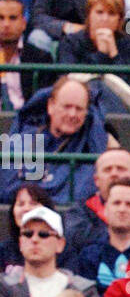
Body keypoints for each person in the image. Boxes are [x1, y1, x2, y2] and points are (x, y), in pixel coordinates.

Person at [0, 75, 113, 205]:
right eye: (66, 107)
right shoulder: (24, 139)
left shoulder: (90, 144)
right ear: (50, 106)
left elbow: (81, 194)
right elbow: (6, 190)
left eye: (79, 109)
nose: (72, 114)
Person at [62, 147, 130, 265]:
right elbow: (77, 239)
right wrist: (126, 231)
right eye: (107, 169)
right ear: (96, 180)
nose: (114, 174)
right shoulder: (80, 209)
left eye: (121, 169)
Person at [0, 204, 100, 297]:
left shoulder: (84, 290)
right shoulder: (3, 286)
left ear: (60, 244)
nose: (34, 239)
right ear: (20, 242)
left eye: (44, 234)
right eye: (27, 234)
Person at [56, 0, 130, 97]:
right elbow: (69, 85)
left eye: (111, 14)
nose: (105, 19)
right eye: (99, 12)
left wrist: (115, 55)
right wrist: (101, 55)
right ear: (89, 15)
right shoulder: (70, 43)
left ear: (119, 20)